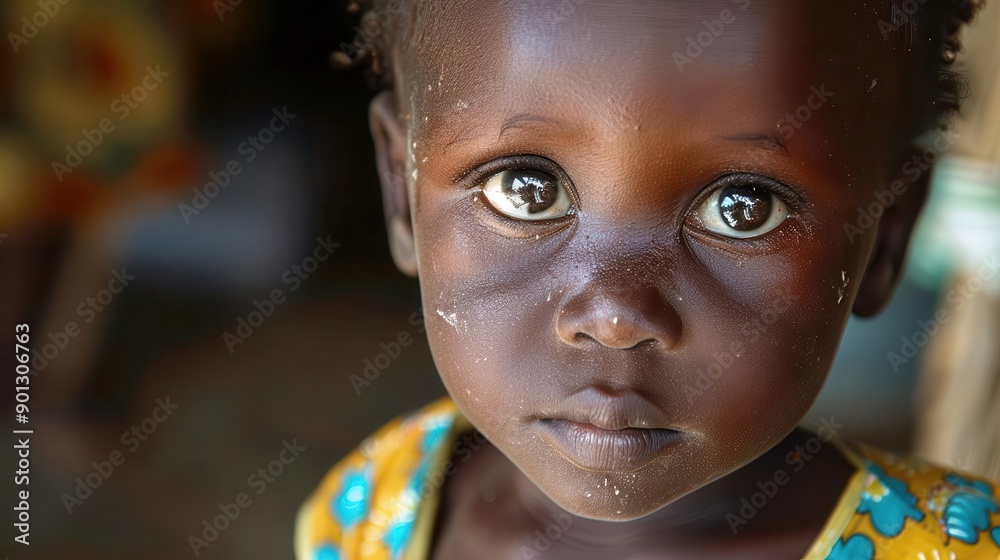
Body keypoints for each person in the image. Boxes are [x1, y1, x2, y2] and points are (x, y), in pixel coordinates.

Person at [297, 1, 1000, 558]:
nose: (615, 314)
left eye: (742, 208)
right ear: (401, 191)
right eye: (525, 189)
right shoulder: (371, 506)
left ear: (885, 238)